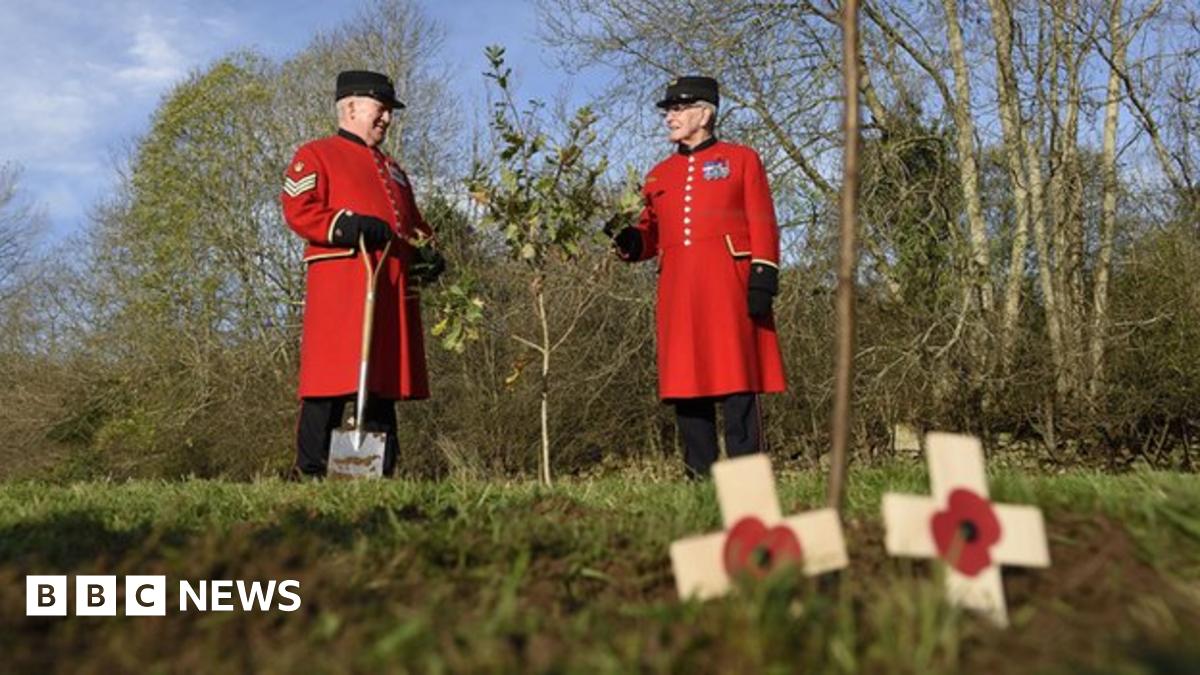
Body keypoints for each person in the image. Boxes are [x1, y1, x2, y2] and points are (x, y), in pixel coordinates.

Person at [610, 76, 786, 478]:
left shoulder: (742, 159)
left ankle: (748, 479)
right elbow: (649, 235)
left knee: (740, 378)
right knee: (687, 383)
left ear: (704, 113)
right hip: (678, 292)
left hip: (731, 284)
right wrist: (630, 240)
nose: (669, 117)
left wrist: (764, 276)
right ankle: (699, 476)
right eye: (667, 110)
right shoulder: (657, 175)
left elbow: (763, 219)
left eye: (678, 109)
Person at [280, 69, 444, 479]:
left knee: (381, 381)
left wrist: (425, 253)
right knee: (330, 377)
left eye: (390, 111)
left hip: (389, 283)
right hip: (342, 280)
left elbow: (414, 224)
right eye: (381, 108)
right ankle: (311, 469)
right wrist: (345, 225)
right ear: (351, 106)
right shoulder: (315, 154)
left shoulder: (395, 170)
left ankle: (378, 470)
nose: (387, 118)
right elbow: (299, 208)